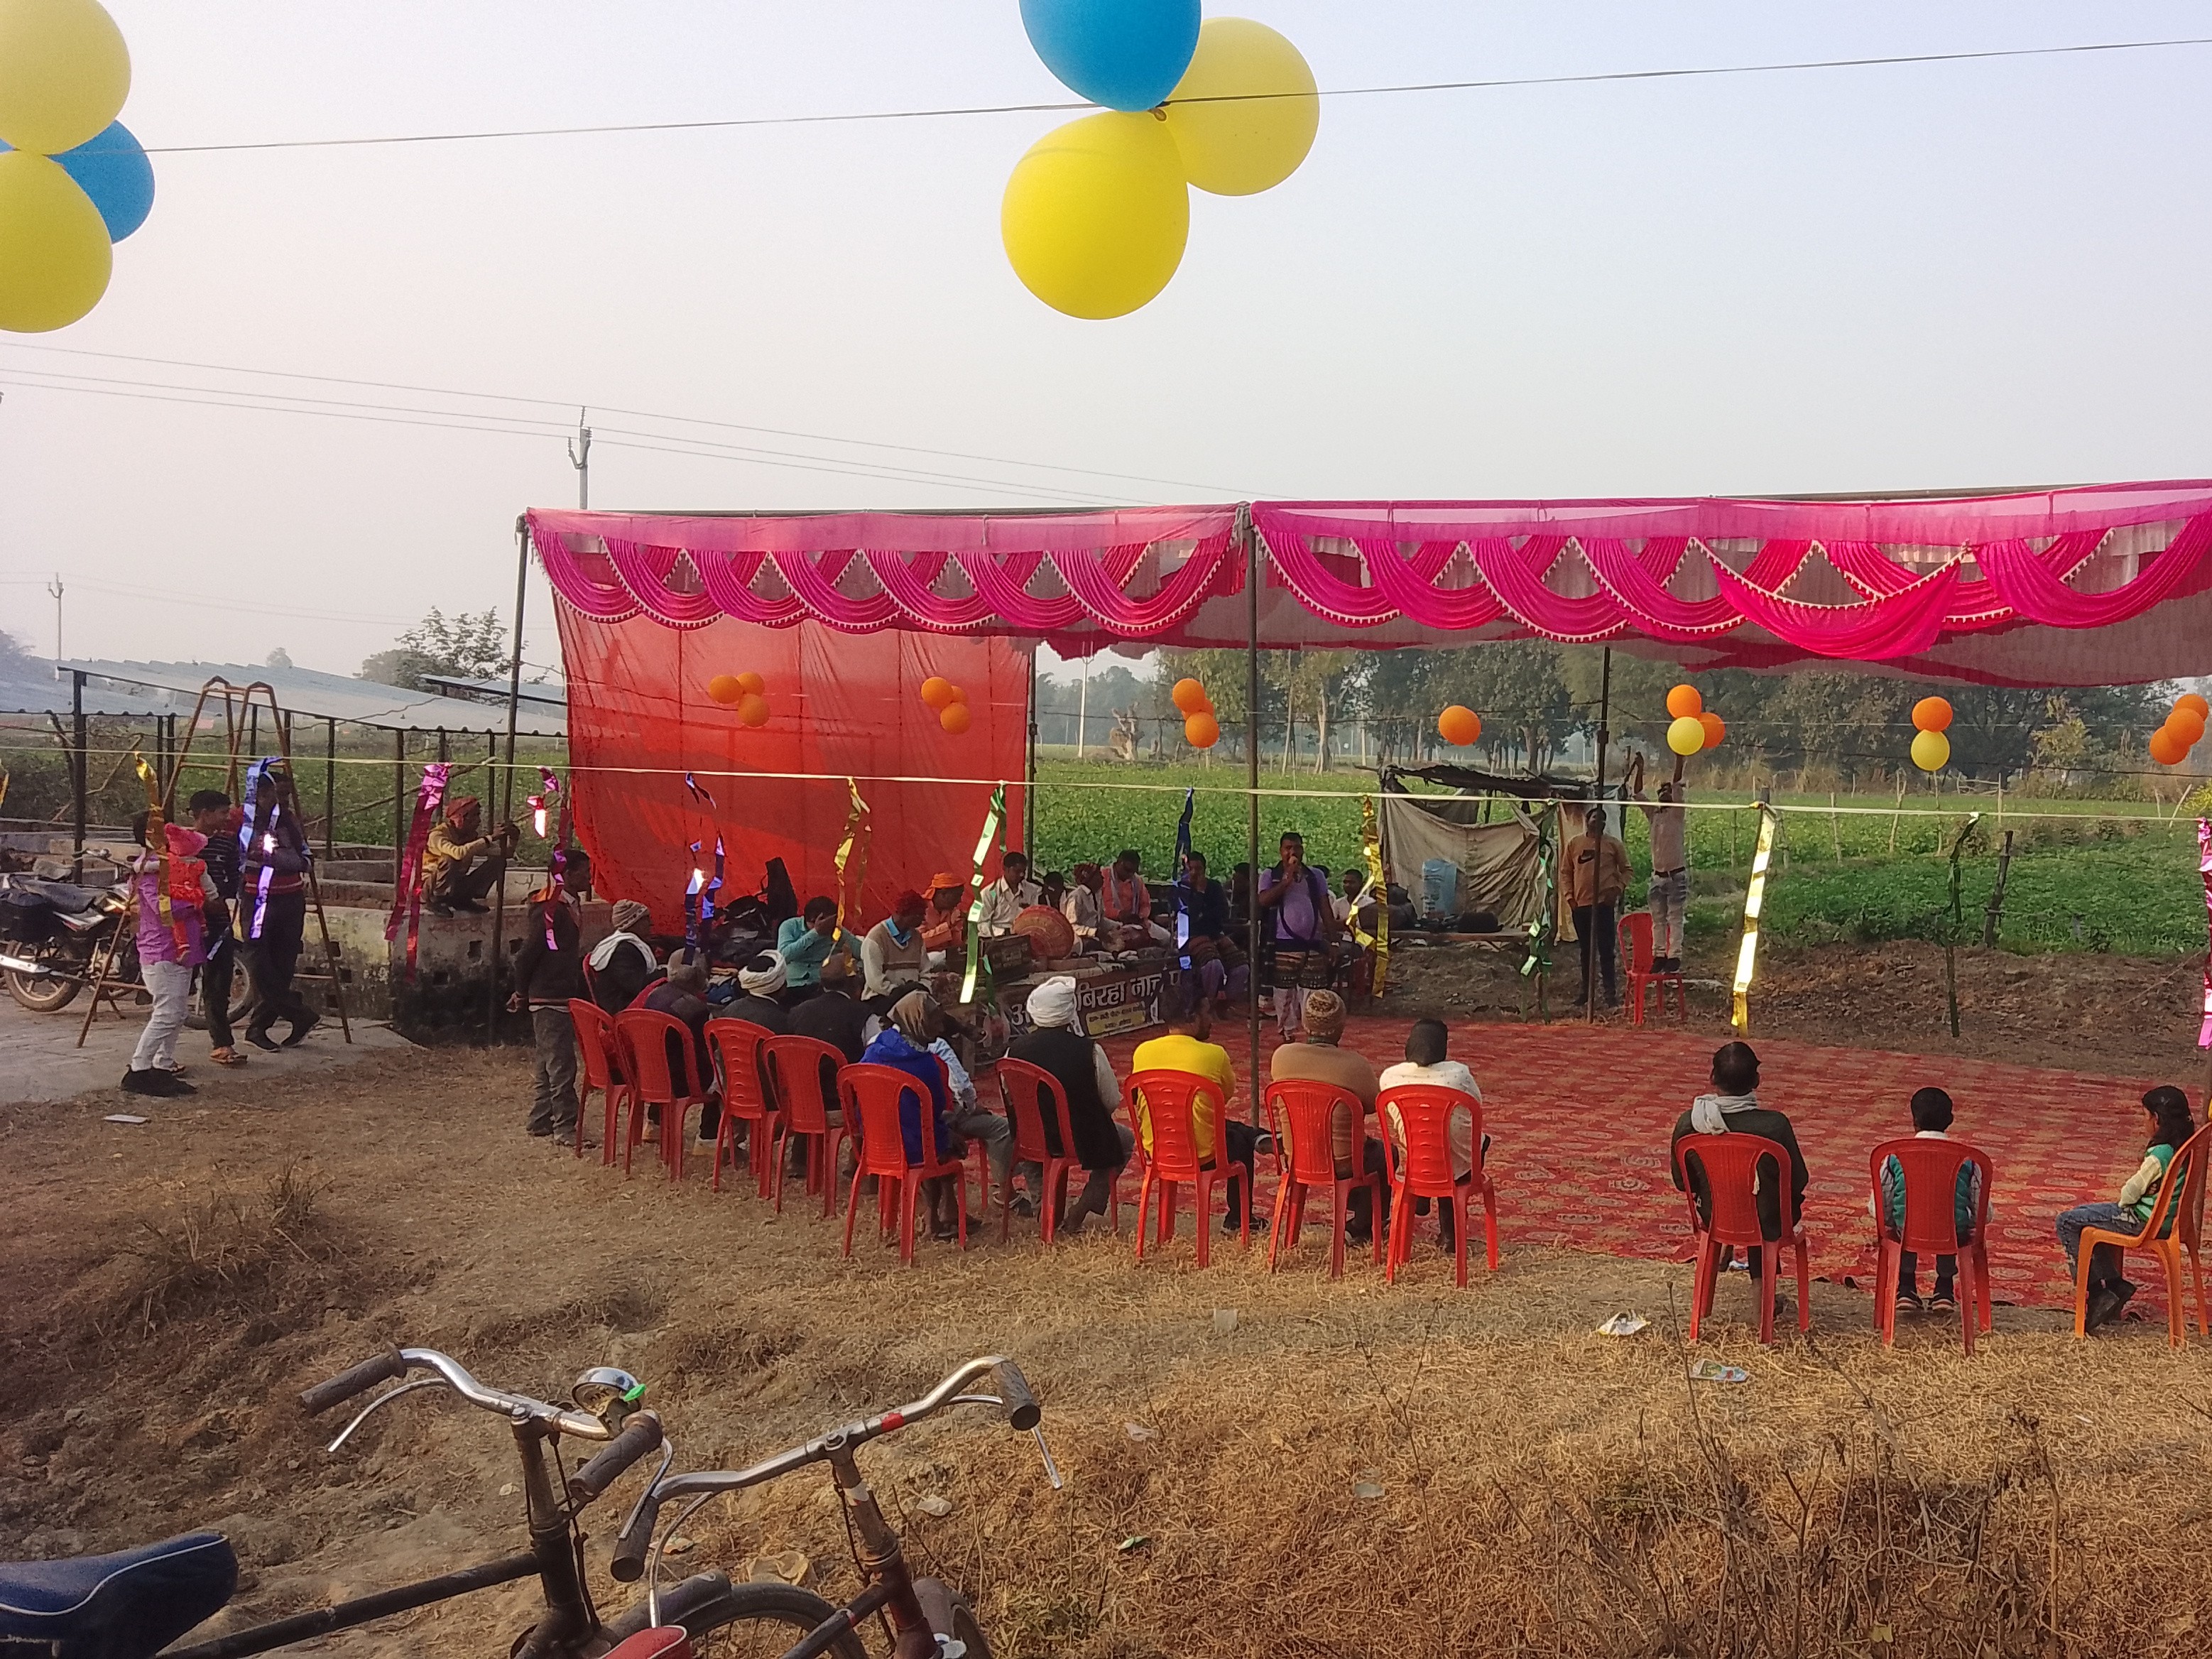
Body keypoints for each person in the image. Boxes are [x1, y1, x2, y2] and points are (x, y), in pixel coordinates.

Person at [1669, 1041, 1811, 1306]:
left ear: (1712, 1078)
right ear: (1757, 1081)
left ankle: (1724, 1250)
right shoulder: (1774, 1126)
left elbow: (1682, 1182)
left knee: (1747, 1201)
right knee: (1764, 1203)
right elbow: (1799, 1180)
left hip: (1716, 1215)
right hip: (1768, 1218)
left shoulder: (1689, 1124)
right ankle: (1761, 1299)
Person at [2056, 1084, 2198, 1332]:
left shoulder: (2160, 1154)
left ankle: (2100, 1291)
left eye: (2145, 1117)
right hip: (2167, 1220)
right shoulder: (2185, 1145)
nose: (2143, 1123)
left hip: (2141, 1219)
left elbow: (2131, 1192)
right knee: (2089, 1220)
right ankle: (2114, 1284)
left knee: (2067, 1221)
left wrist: (2123, 1201)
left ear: (2157, 1120)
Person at [1006, 975, 1133, 1235]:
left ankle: (1042, 1204)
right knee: (1124, 1139)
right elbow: (1110, 1101)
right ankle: (1082, 1209)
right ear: (1068, 1013)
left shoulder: (1013, 1051)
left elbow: (1010, 1096)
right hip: (1080, 1140)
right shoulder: (1089, 1051)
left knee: (1028, 1141)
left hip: (1031, 1137)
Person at [1270, 989, 1388, 1241]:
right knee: (1385, 1155)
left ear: (1304, 1021)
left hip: (1296, 1155)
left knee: (1368, 1152)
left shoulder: (1282, 1057)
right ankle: (1363, 1227)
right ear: (1341, 1027)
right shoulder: (1354, 1066)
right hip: (1344, 1163)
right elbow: (1373, 1105)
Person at [1131, 1002, 1258, 1231]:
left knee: (1227, 1129)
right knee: (1238, 1141)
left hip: (1157, 1147)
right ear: (1193, 1017)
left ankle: (1256, 1136)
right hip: (1202, 1153)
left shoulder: (1143, 1051)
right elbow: (1222, 1099)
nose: (1210, 1019)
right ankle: (1239, 1219)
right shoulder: (1214, 1054)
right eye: (1206, 1013)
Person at [121, 810, 217, 1097]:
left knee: (175, 1013)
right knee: (168, 1013)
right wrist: (198, 898)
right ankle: (139, 1069)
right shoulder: (149, 871)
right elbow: (166, 909)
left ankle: (162, 1066)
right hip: (162, 949)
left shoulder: (168, 865)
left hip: (179, 949)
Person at [859, 990, 967, 1240]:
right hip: (913, 1144)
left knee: (931, 1132)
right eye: (936, 1022)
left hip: (876, 1143)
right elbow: (936, 1108)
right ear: (918, 1021)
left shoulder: (874, 1050)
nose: (940, 1029)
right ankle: (937, 1215)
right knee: (945, 1139)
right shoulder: (924, 1062)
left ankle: (935, 1216)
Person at [1875, 1087, 1985, 1316]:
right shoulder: (1968, 1159)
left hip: (1907, 1230)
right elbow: (1983, 1210)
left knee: (1904, 1219)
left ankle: (1906, 1287)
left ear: (1913, 1120)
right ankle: (1944, 1289)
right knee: (1952, 1222)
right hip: (1953, 1231)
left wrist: (1891, 1221)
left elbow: (1880, 1204)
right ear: (1951, 1120)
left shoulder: (1893, 1155)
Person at [1378, 1018, 1487, 1244]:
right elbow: (1476, 1105)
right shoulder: (1459, 1075)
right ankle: (1451, 1235)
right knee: (1463, 1149)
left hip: (1415, 1161)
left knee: (1432, 1145)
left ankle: (1421, 1195)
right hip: (1455, 1165)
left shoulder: (1389, 1077)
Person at [236, 766, 317, 1051]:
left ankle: (259, 1026)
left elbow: (305, 859)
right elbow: (251, 856)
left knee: (283, 964)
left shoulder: (289, 821)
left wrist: (284, 859)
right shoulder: (246, 822)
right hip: (257, 897)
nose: (283, 801)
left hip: (291, 897)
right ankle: (296, 1010)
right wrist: (285, 859)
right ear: (260, 795)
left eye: (286, 795)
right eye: (277, 794)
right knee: (258, 960)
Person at [508, 877, 583, 1143]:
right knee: (561, 1064)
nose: (588, 878)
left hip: (553, 992)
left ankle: (541, 1119)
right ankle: (564, 1127)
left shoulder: (565, 905)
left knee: (547, 1062)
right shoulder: (550, 908)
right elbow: (528, 953)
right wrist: (521, 991)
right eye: (582, 872)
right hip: (549, 994)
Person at [186, 789, 246, 1070]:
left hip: (219, 922)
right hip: (186, 922)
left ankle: (222, 1044)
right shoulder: (182, 845)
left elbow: (236, 880)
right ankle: (161, 1052)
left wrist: (224, 902)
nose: (227, 818)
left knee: (219, 983)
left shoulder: (227, 846)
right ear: (205, 814)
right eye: (222, 813)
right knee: (177, 989)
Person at [1257, 832, 1336, 1041]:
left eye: (1297, 848)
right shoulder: (1269, 875)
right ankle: (1288, 1034)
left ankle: (1314, 1032)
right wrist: (1285, 882)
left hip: (1313, 943)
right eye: (1288, 848)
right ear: (1281, 851)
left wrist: (1334, 940)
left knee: (1314, 992)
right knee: (1284, 994)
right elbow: (1263, 901)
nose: (1292, 852)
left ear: (1302, 850)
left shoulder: (1315, 876)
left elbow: (1324, 907)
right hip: (1282, 944)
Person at [641, 947, 716, 1135]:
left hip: (649, 1074)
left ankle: (655, 1122)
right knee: (724, 1069)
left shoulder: (654, 995)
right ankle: (708, 1136)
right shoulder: (695, 1009)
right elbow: (706, 1052)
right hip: (682, 1082)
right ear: (699, 976)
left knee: (666, 1057)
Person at [1563, 804, 1630, 1008]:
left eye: (1602, 819)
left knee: (1606, 950)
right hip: (1581, 905)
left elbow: (1627, 871)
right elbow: (1565, 872)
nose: (1598, 821)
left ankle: (1610, 994)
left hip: (1603, 906)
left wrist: (1616, 889)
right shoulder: (1575, 844)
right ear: (1587, 821)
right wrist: (1569, 898)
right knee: (1586, 951)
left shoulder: (1613, 845)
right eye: (1594, 818)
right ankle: (1586, 992)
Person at [1176, 850, 1248, 1013]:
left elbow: (1222, 912)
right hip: (1191, 935)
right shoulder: (1181, 890)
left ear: (1204, 870)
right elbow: (1191, 917)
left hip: (1215, 933)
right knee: (1213, 965)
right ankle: (1207, 1005)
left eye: (1198, 869)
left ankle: (1225, 1005)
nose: (1195, 873)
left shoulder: (1214, 887)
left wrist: (1204, 914)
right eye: (1191, 869)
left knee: (1241, 966)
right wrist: (1200, 896)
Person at [1634, 761, 1689, 973]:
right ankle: (1658, 954)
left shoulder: (1677, 814)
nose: (1665, 793)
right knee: (1658, 919)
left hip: (1676, 875)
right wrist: (1640, 768)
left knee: (1675, 917)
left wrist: (1678, 759)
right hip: (1658, 876)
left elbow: (1677, 783)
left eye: (1668, 791)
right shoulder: (1654, 816)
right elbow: (1637, 793)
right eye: (1662, 791)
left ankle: (1674, 955)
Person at [423, 795, 517, 916]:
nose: (478, 821)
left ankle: (463, 899)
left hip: (455, 885)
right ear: (461, 818)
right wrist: (491, 838)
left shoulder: (469, 837)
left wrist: (513, 837)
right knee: (451, 858)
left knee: (498, 862)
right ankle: (436, 899)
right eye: (475, 816)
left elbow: (505, 854)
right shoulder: (438, 835)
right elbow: (458, 853)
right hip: (429, 887)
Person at [775, 896, 853, 1000]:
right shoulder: (789, 926)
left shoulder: (836, 931)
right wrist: (815, 933)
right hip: (792, 984)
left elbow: (861, 951)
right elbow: (784, 956)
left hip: (820, 985)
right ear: (813, 920)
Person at [589, 898, 658, 1013]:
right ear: (633, 923)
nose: (651, 923)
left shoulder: (633, 946)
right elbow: (638, 985)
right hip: (622, 1008)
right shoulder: (622, 952)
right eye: (645, 920)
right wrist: (668, 974)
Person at [861, 889, 930, 999]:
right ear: (907, 914)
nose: (923, 919)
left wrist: (923, 987)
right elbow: (875, 981)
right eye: (920, 915)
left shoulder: (917, 937)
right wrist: (901, 992)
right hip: (882, 998)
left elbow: (926, 971)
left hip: (914, 995)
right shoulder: (875, 939)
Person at [1103, 850, 1172, 947]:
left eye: (1133, 871)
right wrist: (1119, 914)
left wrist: (1141, 916)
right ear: (1118, 863)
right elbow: (1099, 908)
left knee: (1166, 937)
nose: (1130, 874)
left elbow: (1145, 904)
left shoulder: (1137, 880)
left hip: (1136, 922)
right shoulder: (1102, 877)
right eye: (1127, 870)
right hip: (1110, 923)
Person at [976, 852, 1042, 937]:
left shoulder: (1032, 891)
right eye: (1017, 871)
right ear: (1005, 869)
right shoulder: (990, 893)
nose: (1022, 875)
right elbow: (982, 924)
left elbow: (1035, 917)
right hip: (997, 939)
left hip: (1023, 936)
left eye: (1024, 871)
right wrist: (1003, 932)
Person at [920, 872, 968, 966]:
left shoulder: (952, 910)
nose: (960, 901)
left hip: (945, 957)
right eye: (957, 896)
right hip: (921, 958)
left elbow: (955, 946)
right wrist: (948, 926)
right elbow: (919, 943)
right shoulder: (920, 909)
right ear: (943, 894)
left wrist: (961, 929)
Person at [1061, 862, 1105, 950]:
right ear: (1090, 879)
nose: (1103, 878)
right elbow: (1071, 926)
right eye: (1099, 875)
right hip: (1079, 941)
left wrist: (1118, 927)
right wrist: (1093, 932)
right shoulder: (1076, 897)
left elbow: (1100, 920)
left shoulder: (1097, 894)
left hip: (1094, 937)